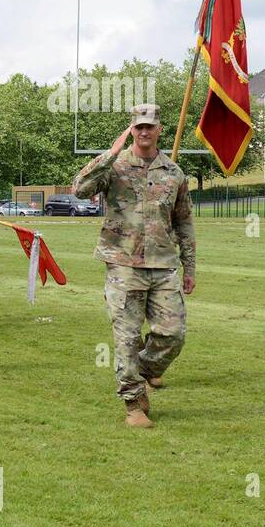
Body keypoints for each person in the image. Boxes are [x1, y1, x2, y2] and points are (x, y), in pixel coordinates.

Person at [72, 103, 195, 428]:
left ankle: (143, 370)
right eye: (138, 126)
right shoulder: (115, 168)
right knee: (126, 338)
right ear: (131, 128)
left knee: (173, 334)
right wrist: (110, 153)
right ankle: (132, 405)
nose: (144, 131)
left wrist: (190, 268)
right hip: (122, 265)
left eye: (149, 126)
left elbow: (184, 223)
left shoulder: (173, 173)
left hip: (163, 265)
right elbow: (80, 188)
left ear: (159, 129)